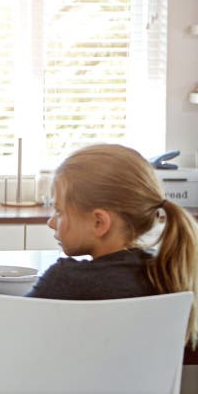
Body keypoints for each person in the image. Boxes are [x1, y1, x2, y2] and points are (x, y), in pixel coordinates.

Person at [25, 144, 198, 348]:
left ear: (99, 222)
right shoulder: (170, 276)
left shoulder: (64, 281)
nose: (51, 222)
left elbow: (10, 333)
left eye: (59, 212)